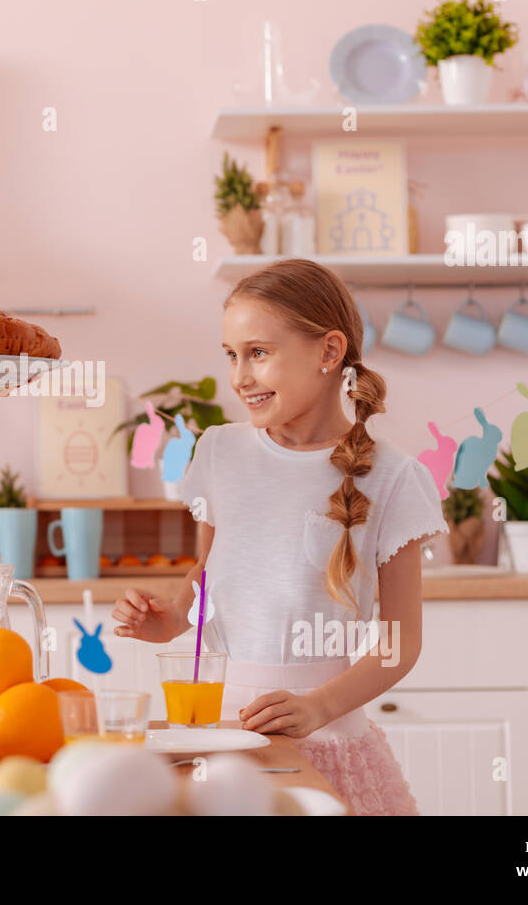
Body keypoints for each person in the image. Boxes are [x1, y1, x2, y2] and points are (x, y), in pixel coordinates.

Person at [112, 259, 448, 814]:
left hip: (324, 743)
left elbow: (399, 643)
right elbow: (211, 575)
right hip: (213, 738)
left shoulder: (394, 477)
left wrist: (317, 708)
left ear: (329, 352)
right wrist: (172, 617)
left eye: (259, 353)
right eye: (231, 355)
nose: (240, 376)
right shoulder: (219, 451)